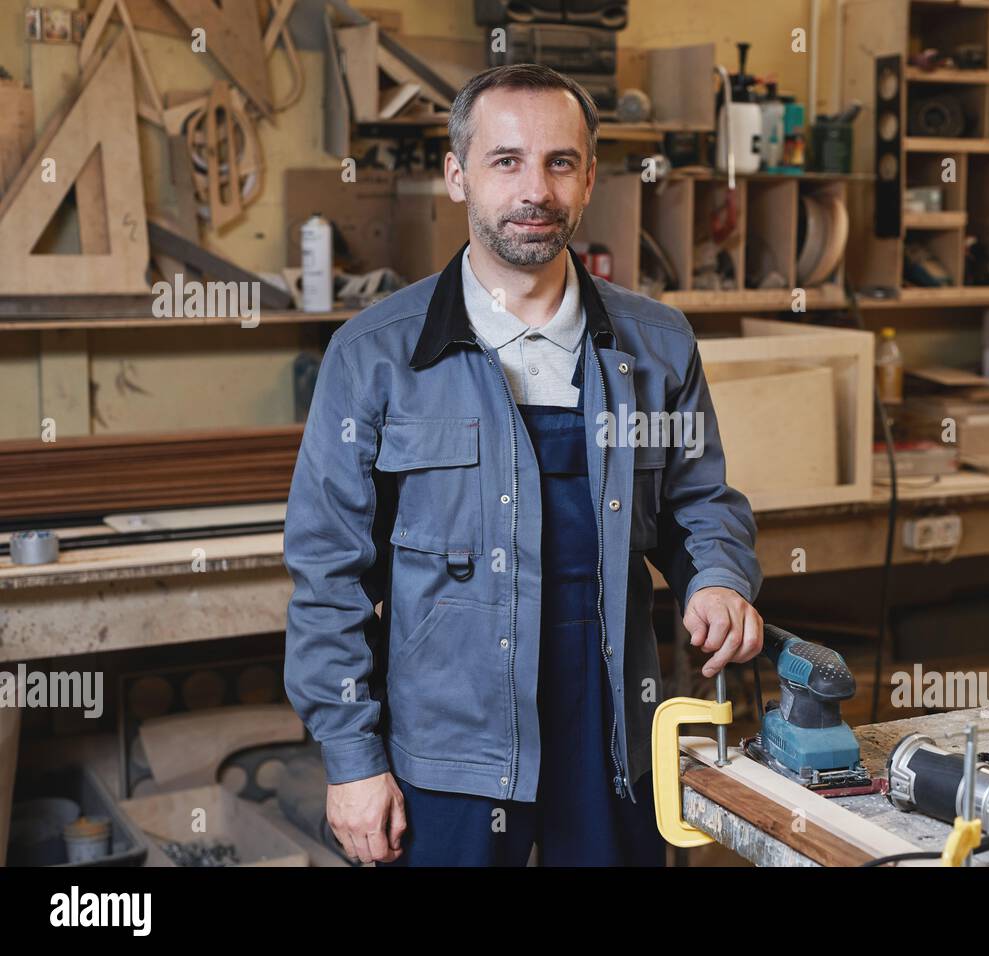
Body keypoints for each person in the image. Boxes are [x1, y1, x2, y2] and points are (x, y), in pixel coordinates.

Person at [283, 64, 764, 867]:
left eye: (559, 162)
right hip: (449, 748)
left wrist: (717, 573)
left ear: (587, 180)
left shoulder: (657, 346)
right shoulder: (374, 358)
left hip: (612, 733)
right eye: (506, 160)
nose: (534, 188)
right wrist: (353, 758)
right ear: (456, 175)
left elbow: (700, 501)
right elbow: (328, 574)